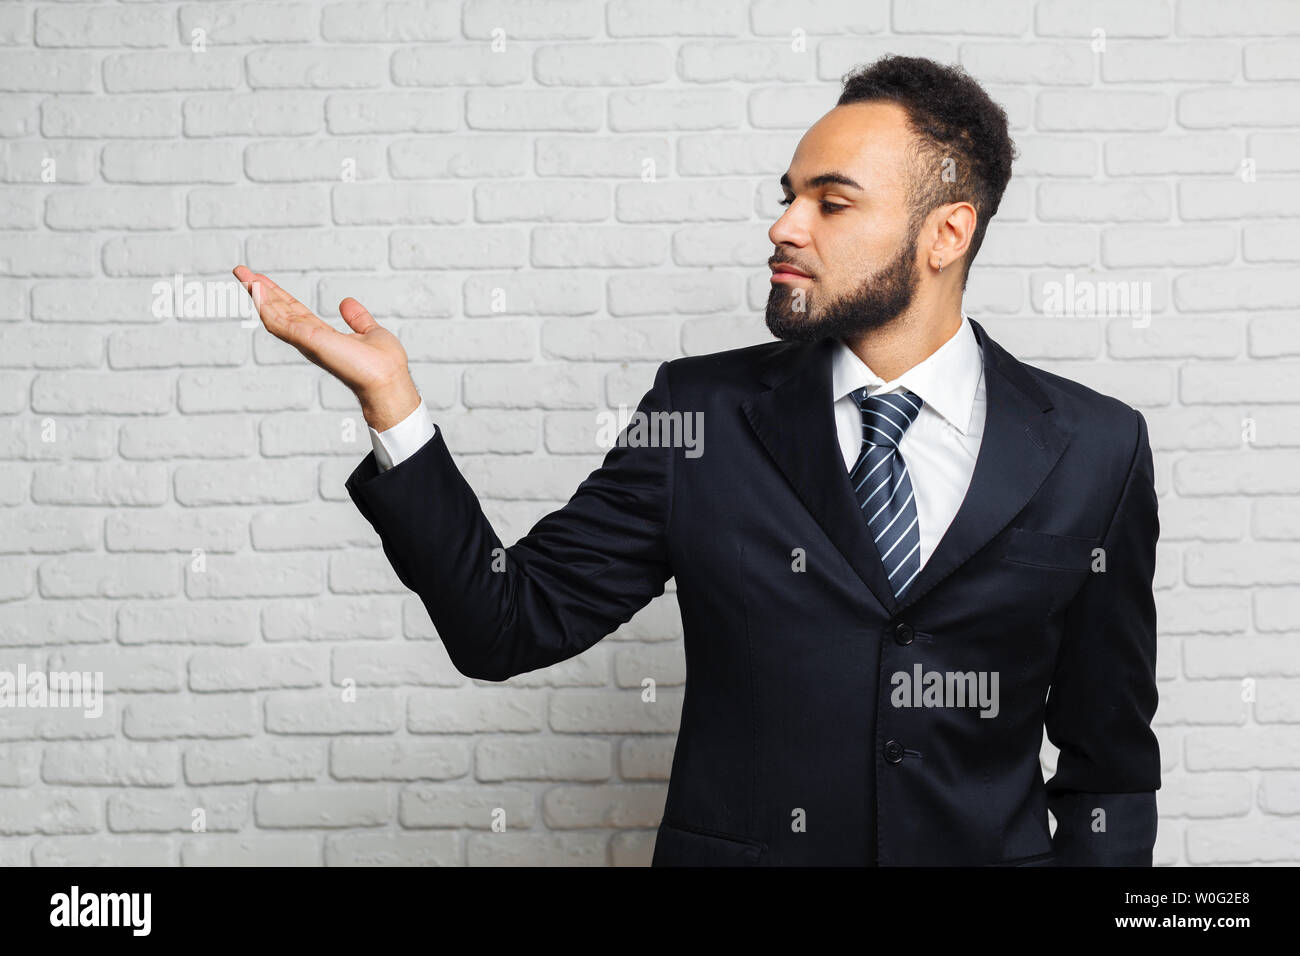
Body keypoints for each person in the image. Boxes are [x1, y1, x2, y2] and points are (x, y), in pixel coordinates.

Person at [234, 55, 1160, 866]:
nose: (785, 228)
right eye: (787, 196)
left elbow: (1110, 767)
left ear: (946, 233)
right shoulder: (700, 415)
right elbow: (505, 624)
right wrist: (394, 404)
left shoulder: (1097, 448)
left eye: (831, 203)